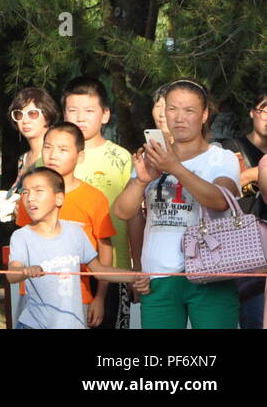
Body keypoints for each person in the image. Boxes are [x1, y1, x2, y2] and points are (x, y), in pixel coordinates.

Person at [113, 80, 242, 329]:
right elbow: (122, 211)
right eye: (172, 109)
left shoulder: (221, 157)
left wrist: (174, 167)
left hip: (211, 274)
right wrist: (141, 181)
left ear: (204, 115)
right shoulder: (153, 157)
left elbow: (219, 200)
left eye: (189, 110)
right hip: (158, 276)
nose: (179, 118)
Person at [7, 168, 148, 329]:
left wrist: (135, 277)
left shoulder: (75, 232)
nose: (30, 198)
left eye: (38, 191)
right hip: (33, 325)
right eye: (25, 192)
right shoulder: (21, 236)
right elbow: (12, 274)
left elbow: (98, 269)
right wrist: (24, 271)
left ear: (59, 199)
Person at [12, 122, 116, 326]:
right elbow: (22, 248)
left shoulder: (94, 198)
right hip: (32, 299)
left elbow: (104, 250)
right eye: (48, 147)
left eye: (63, 149)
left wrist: (100, 297)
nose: (52, 155)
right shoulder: (30, 198)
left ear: (80, 156)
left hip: (77, 299)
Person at [61, 75, 133, 328]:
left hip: (111, 269)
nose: (80, 118)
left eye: (89, 111)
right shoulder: (50, 157)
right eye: (73, 110)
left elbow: (134, 215)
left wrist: (136, 268)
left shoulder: (122, 158)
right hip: (60, 268)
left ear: (105, 114)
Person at [227, 92, 266, 329]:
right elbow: (227, 186)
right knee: (253, 318)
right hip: (245, 248)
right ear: (252, 112)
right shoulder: (233, 147)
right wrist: (260, 171)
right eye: (264, 109)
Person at [0, 88, 58, 221]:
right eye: (19, 115)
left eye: (33, 114)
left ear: (47, 115)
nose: (25, 120)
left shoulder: (54, 156)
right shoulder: (23, 159)